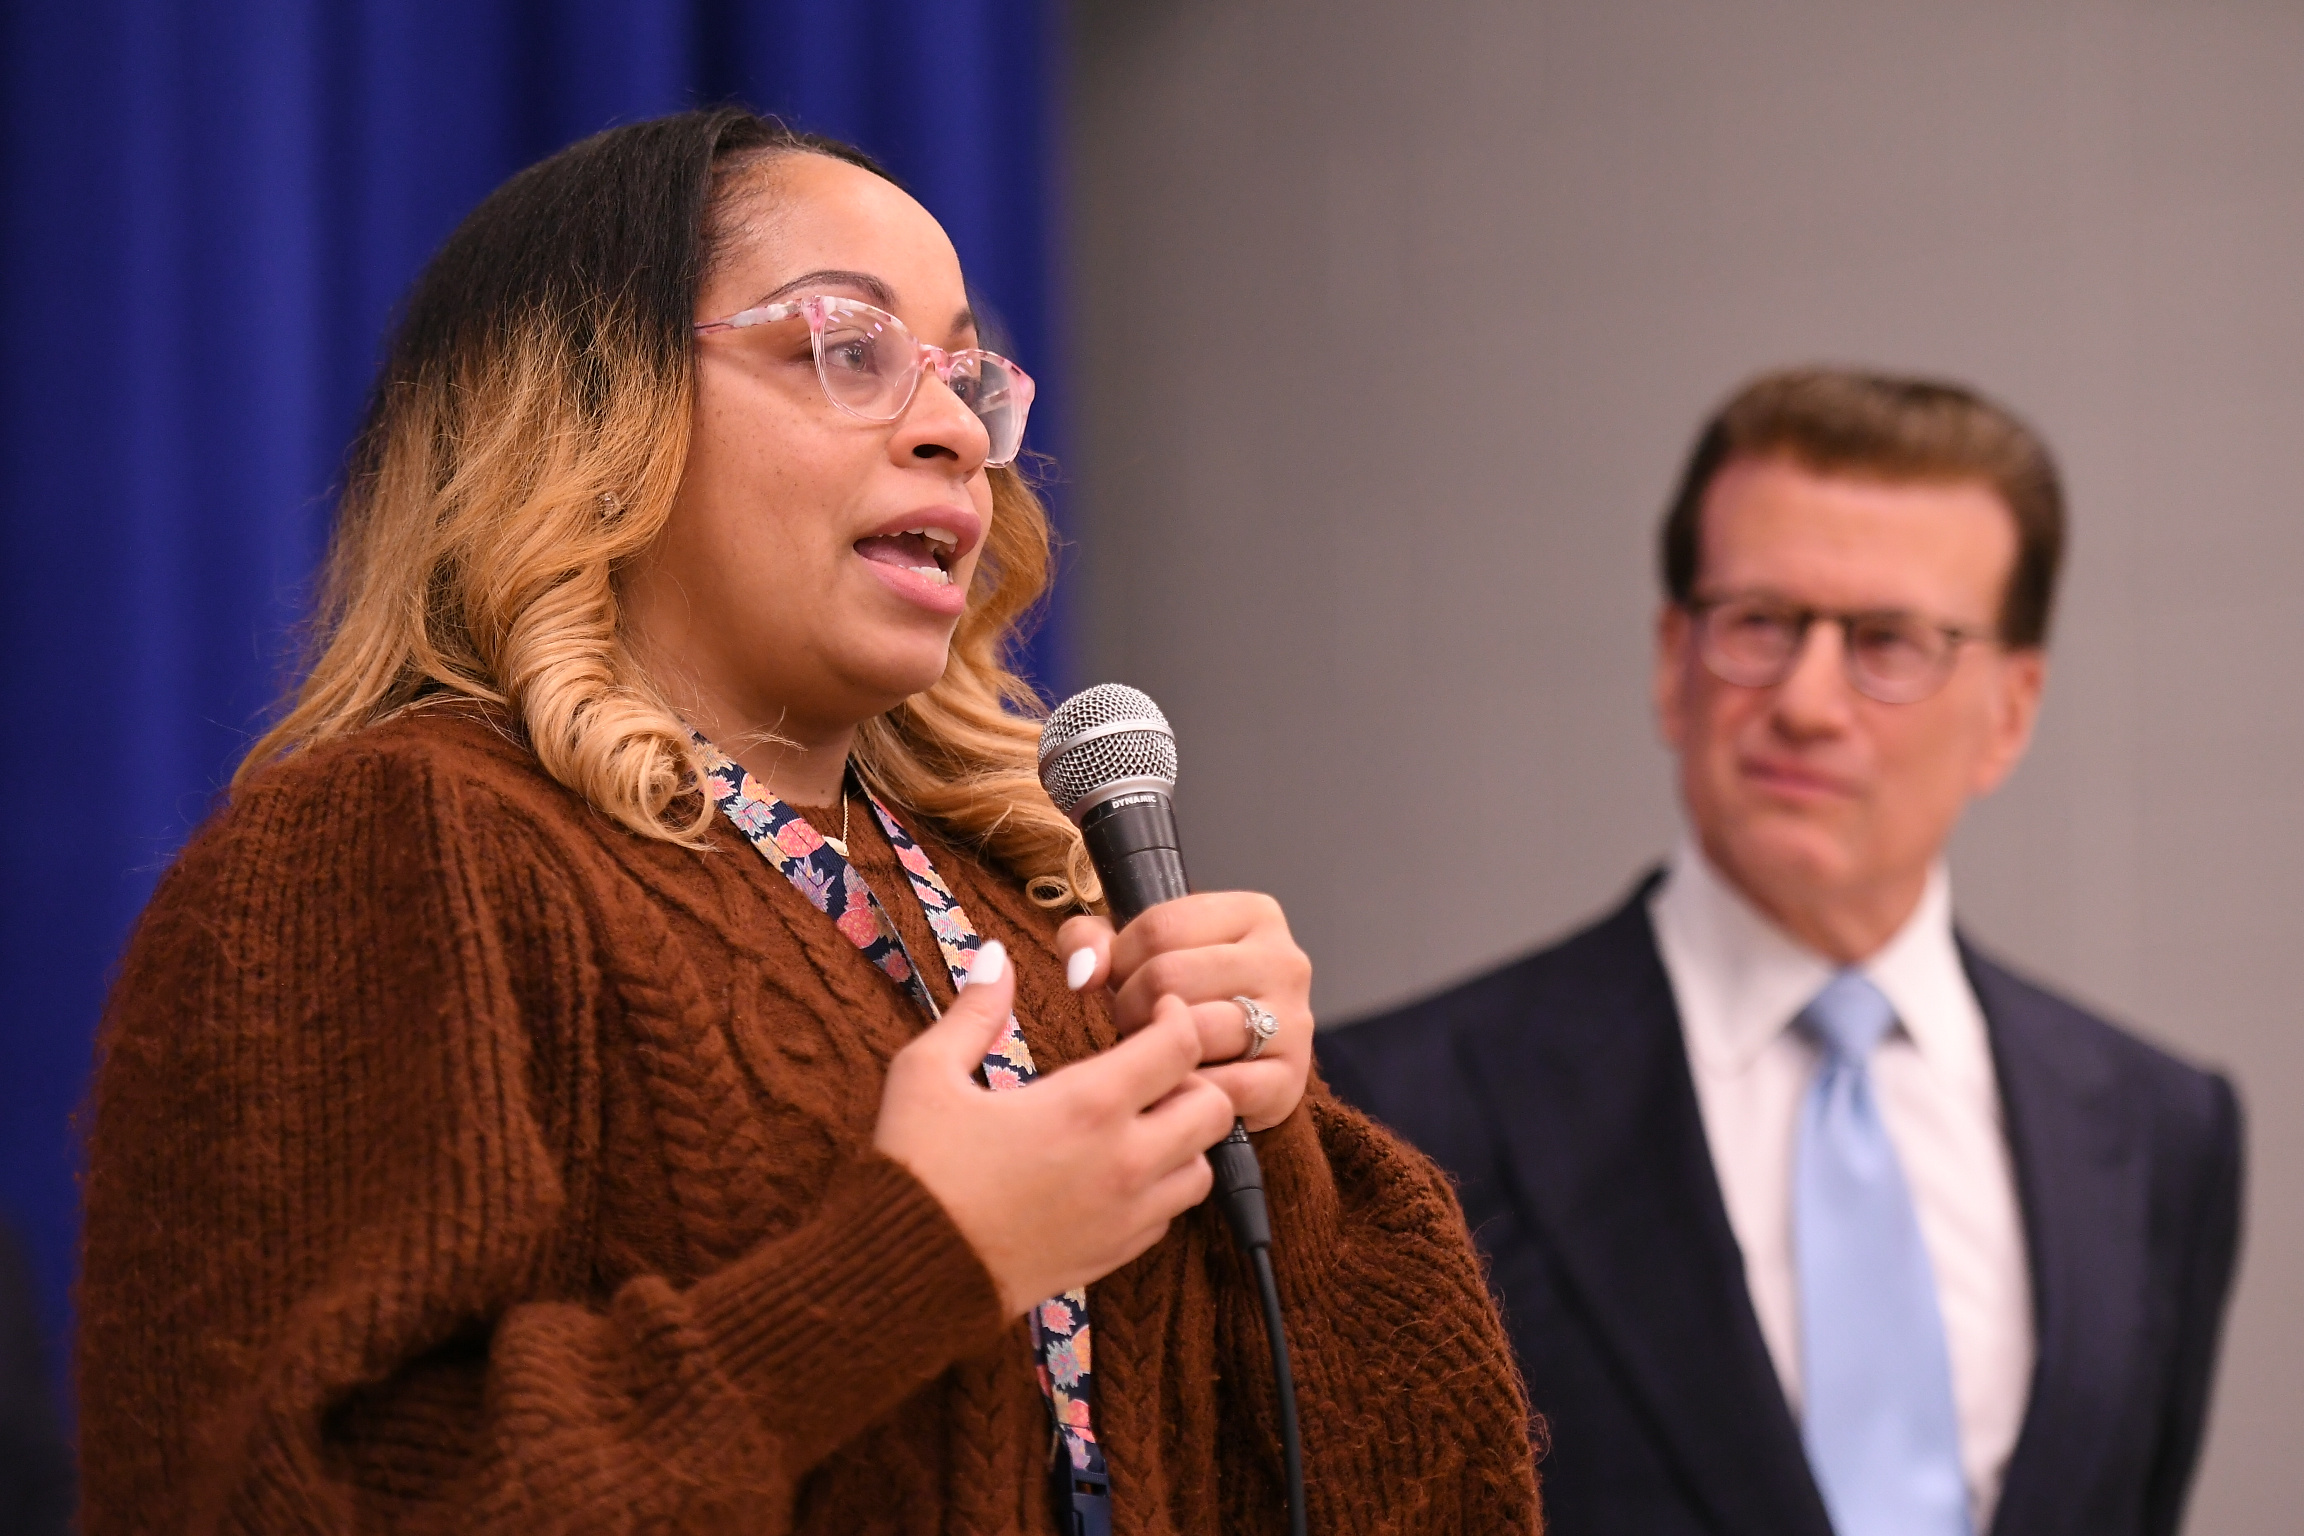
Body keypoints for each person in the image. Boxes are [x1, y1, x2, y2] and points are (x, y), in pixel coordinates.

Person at [76, 110, 1541, 1533]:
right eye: (845, 347)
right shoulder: (388, 848)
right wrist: (909, 1261)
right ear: (590, 409)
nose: (955, 435)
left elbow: (1432, 1485)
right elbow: (290, 1497)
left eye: (972, 382)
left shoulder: (1036, 915)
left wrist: (1273, 1133)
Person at [1319, 368, 2242, 1536]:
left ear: (2010, 711)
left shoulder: (2165, 1133)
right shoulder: (1398, 1107)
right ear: (1673, 662)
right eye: (1760, 623)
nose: (1807, 701)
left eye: (1888, 643)